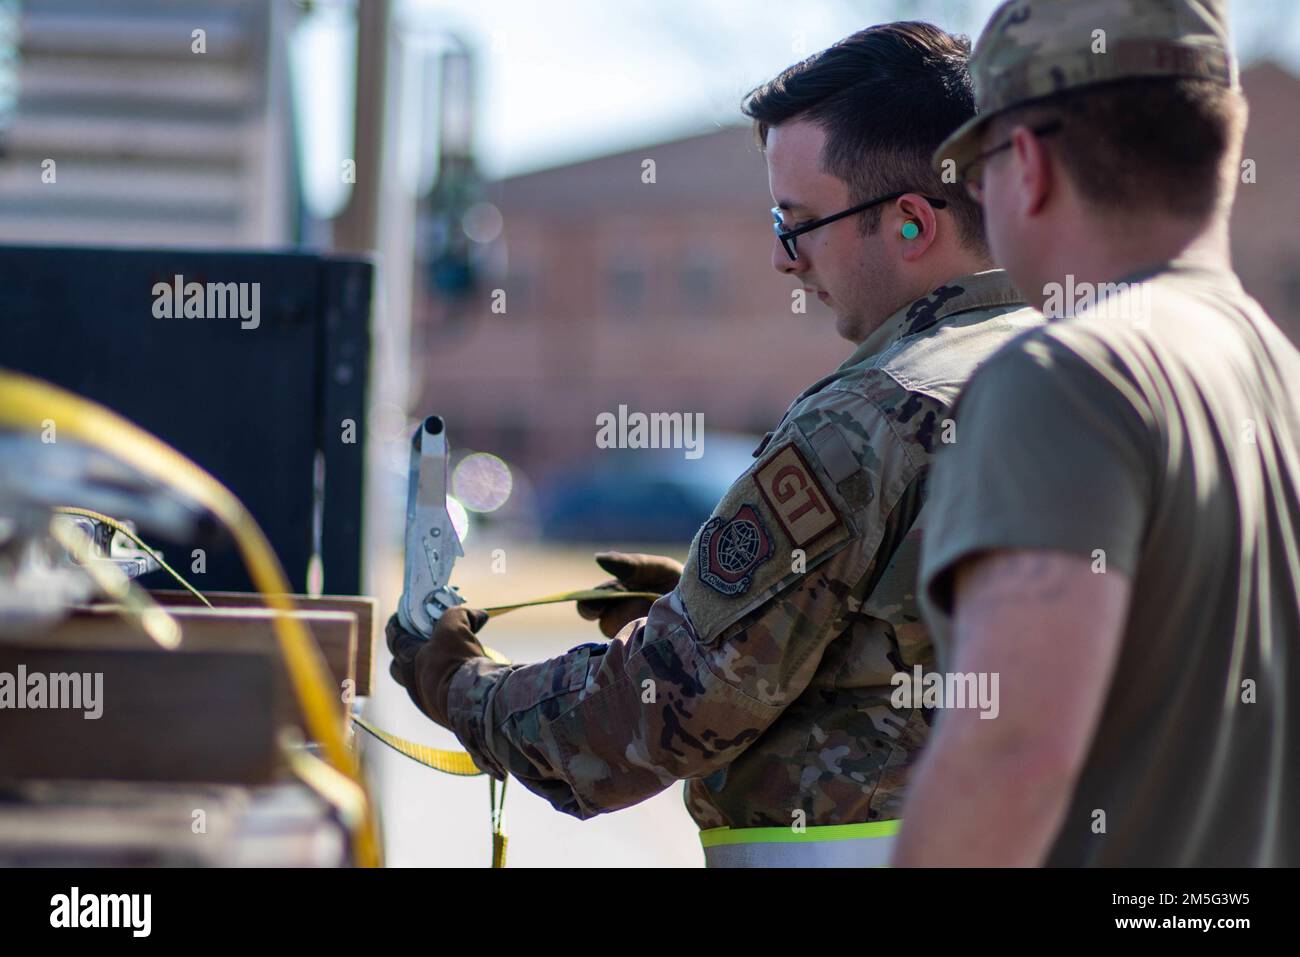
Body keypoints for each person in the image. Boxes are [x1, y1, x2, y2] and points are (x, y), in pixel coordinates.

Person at [389, 21, 1042, 867]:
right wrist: (717, 617)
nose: (783, 260)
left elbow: (640, 728)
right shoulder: (1094, 376)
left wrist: (457, 682)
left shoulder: (865, 419)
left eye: (796, 222)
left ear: (912, 223)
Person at [894, 0, 1300, 866]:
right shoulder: (1284, 381)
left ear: (1028, 163)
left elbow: (1012, 758)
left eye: (977, 171)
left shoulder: (1065, 378)